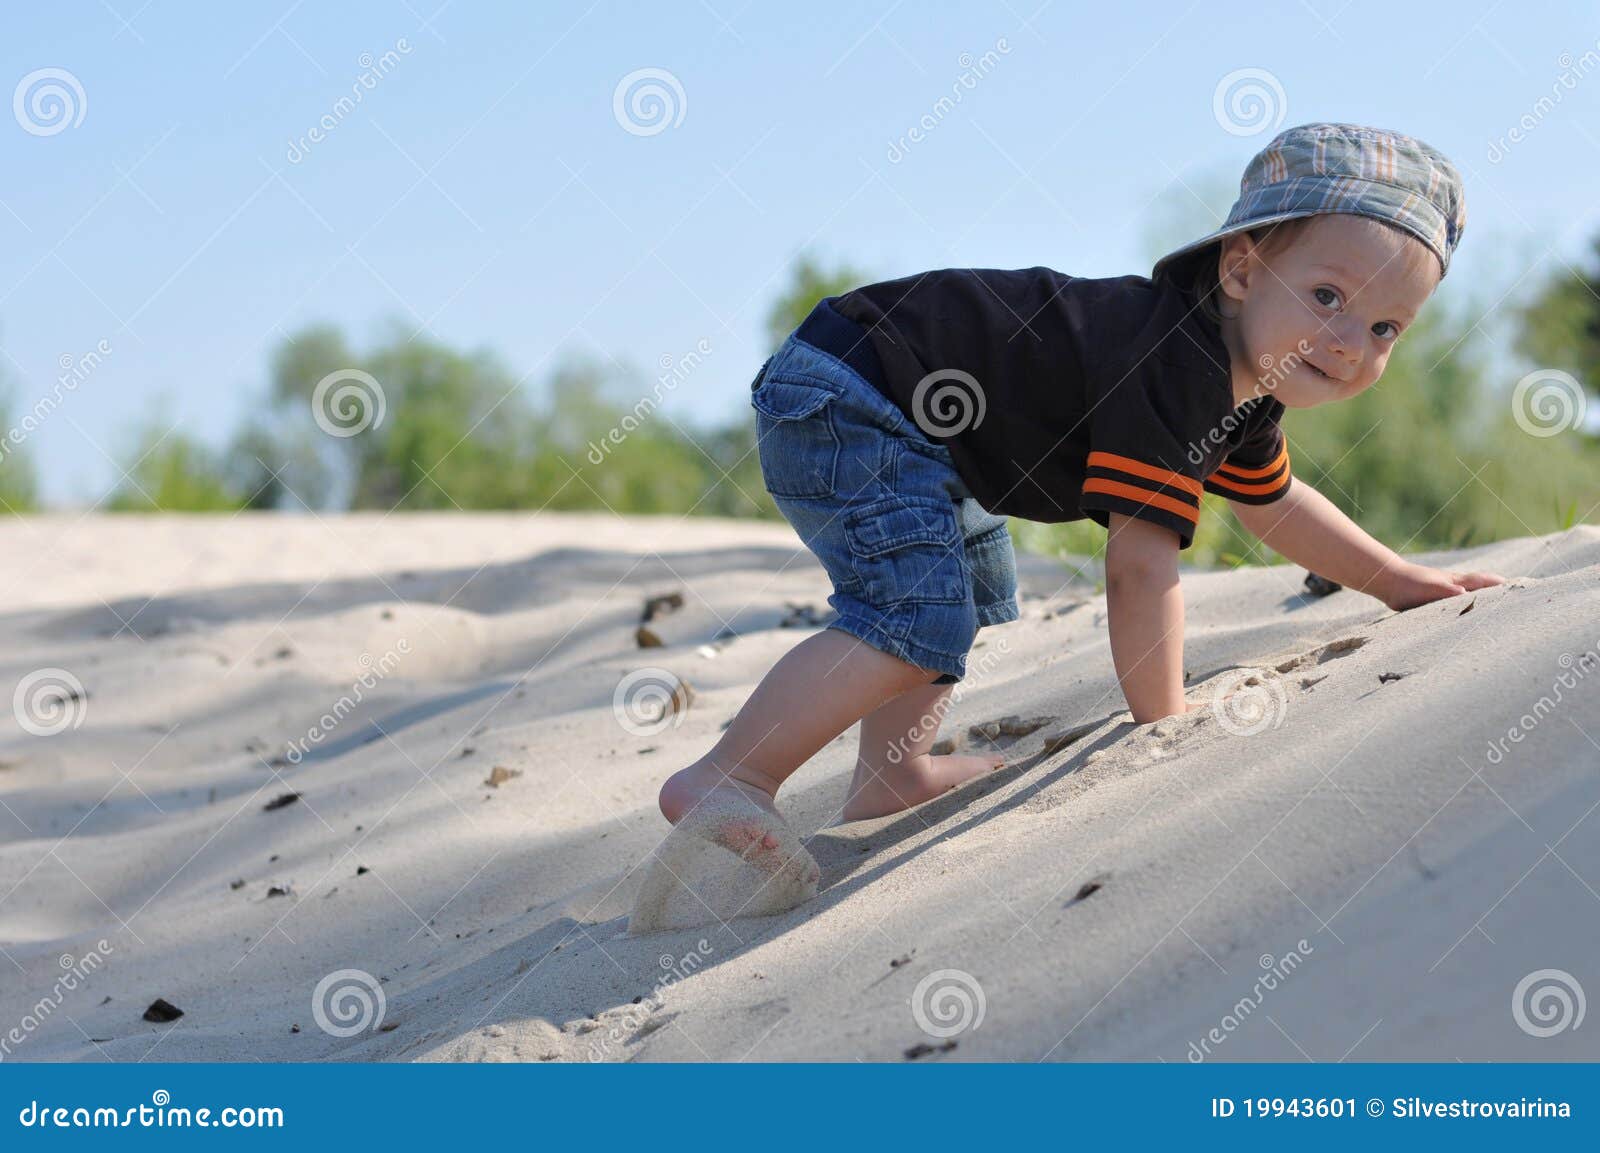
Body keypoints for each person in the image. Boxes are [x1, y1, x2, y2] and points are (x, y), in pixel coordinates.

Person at [655, 122, 1505, 887]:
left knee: (971, 592)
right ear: (1241, 269)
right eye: (1329, 298)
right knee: (915, 609)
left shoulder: (1244, 388)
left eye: (1387, 329)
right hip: (853, 395)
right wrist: (1164, 729)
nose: (1352, 343)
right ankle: (732, 777)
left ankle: (890, 774)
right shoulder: (1176, 364)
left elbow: (1273, 503)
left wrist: (1395, 578)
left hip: (912, 420)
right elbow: (1140, 567)